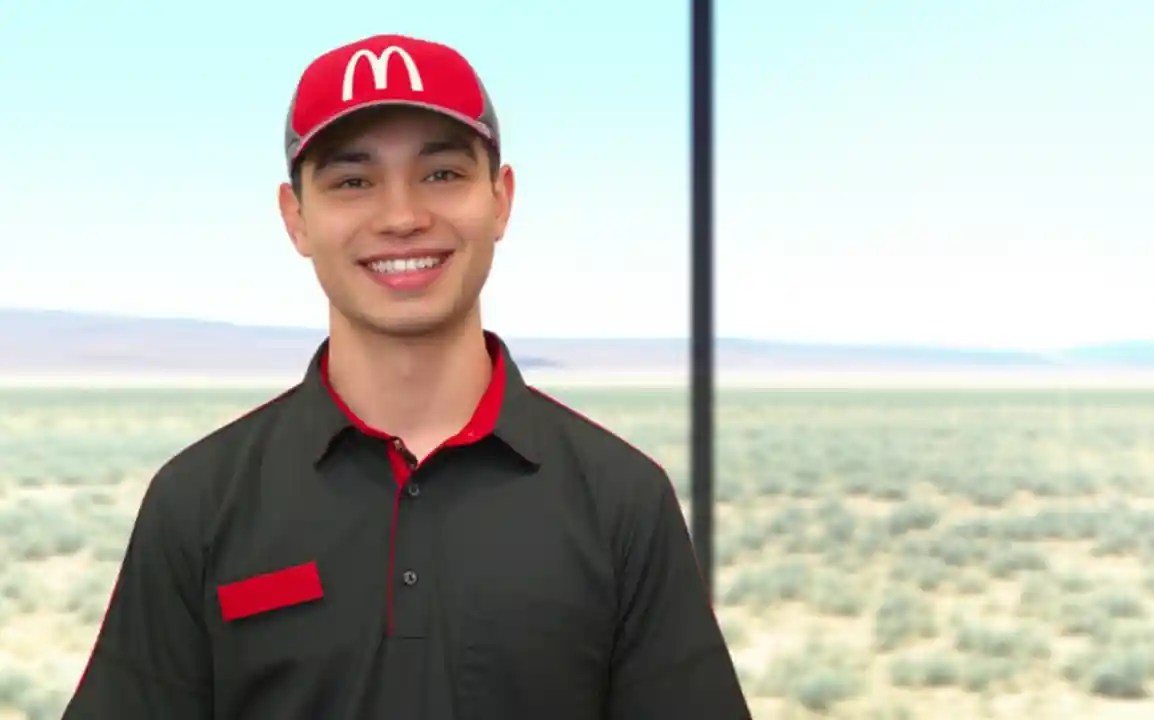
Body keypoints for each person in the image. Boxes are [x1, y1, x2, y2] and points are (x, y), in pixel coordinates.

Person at [62, 32, 751, 719]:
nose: (401, 217)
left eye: (442, 174)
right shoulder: (198, 506)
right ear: (296, 217)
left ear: (501, 199)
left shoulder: (622, 504)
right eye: (353, 181)